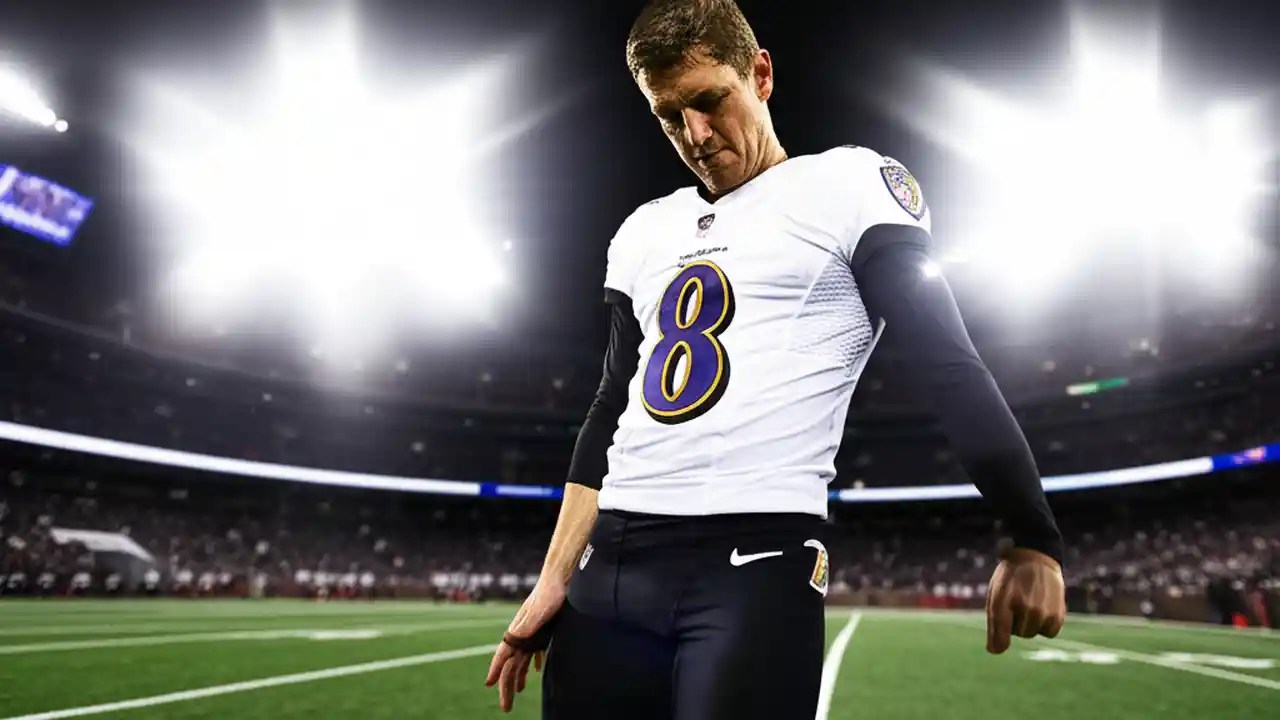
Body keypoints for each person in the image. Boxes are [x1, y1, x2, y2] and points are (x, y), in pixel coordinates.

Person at [485, 1, 1067, 717]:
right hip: (608, 566)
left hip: (752, 559)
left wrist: (1029, 533)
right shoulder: (643, 231)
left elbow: (945, 360)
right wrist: (553, 578)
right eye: (670, 116)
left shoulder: (848, 184)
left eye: (709, 100)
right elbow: (611, 407)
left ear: (760, 74)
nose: (695, 135)